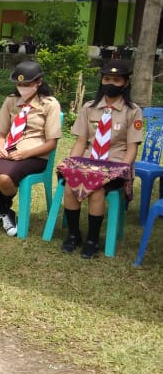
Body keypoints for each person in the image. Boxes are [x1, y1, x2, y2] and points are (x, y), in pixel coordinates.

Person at [57, 58, 143, 259]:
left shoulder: (133, 111)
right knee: (70, 185)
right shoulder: (89, 107)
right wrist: (72, 164)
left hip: (115, 164)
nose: (110, 84)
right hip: (89, 161)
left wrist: (121, 169)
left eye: (116, 79)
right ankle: (74, 234)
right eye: (106, 79)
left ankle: (93, 239)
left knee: (96, 191)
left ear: (126, 83)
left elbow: (132, 148)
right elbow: (80, 142)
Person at [0, 58, 62, 236]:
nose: (22, 87)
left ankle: (1, 210)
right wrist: (0, 147)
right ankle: (6, 211)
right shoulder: (11, 101)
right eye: (19, 84)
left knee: (4, 178)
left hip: (35, 155)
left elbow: (51, 143)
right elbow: (0, 133)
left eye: (27, 84)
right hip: (9, 151)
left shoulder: (50, 104)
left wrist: (26, 154)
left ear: (39, 82)